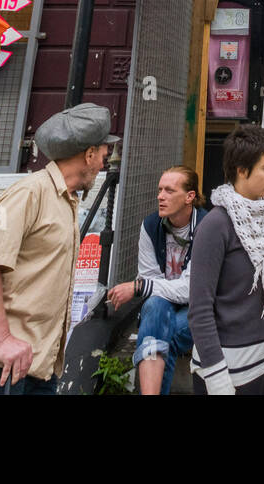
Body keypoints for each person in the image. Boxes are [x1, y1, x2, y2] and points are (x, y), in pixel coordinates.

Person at [0, 103, 119, 394]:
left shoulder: (65, 201)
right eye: (102, 155)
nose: (103, 164)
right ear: (88, 154)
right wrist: (1, 341)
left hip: (37, 367)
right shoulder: (29, 192)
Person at [188, 123, 264, 395]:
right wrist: (217, 379)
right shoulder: (216, 226)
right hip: (230, 374)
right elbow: (199, 310)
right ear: (242, 170)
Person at [105, 166, 207, 395]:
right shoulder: (151, 226)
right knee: (154, 306)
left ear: (190, 196)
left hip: (202, 311)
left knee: (162, 336)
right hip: (164, 308)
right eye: (160, 189)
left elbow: (194, 289)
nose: (160, 196)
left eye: (169, 190)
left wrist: (139, 286)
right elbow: (151, 278)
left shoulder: (207, 227)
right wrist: (146, 286)